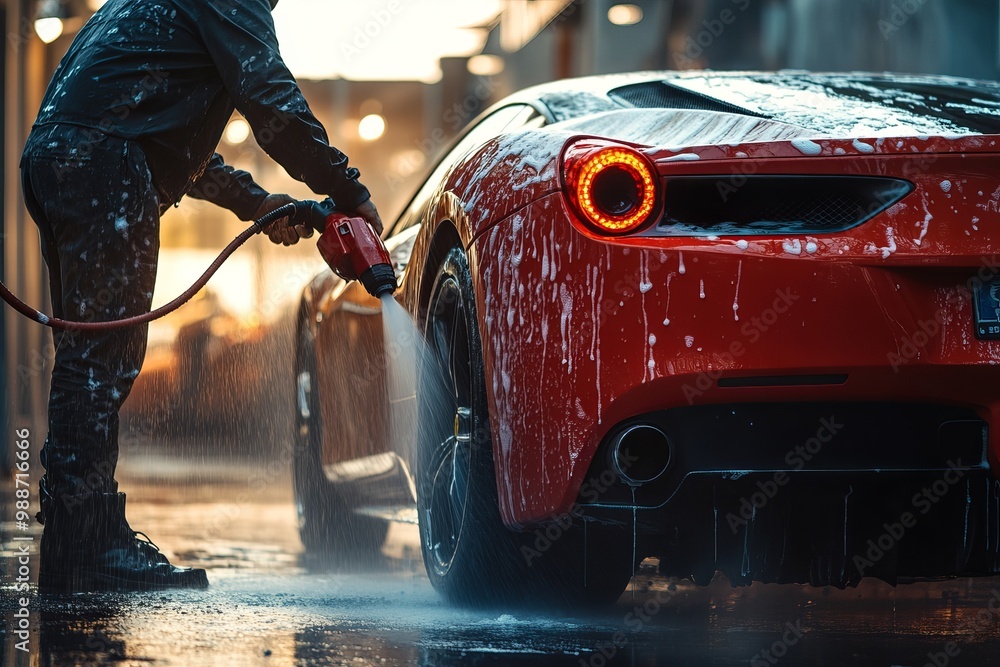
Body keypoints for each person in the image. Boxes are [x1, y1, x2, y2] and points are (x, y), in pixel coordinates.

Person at [20, 0, 383, 592]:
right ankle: (85, 544)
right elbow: (271, 98)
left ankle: (78, 537)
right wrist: (349, 192)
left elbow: (166, 136)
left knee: (87, 358)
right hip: (103, 162)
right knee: (100, 362)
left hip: (58, 157)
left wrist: (256, 202)